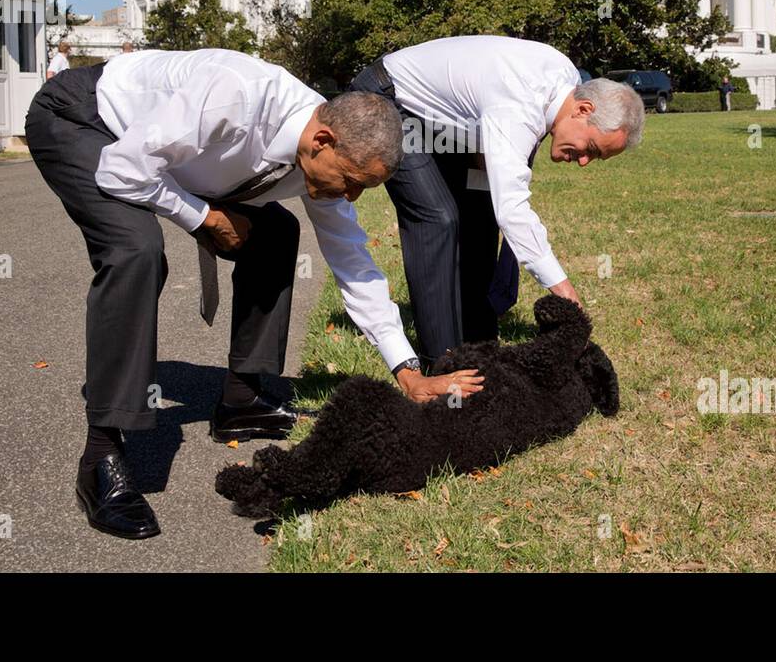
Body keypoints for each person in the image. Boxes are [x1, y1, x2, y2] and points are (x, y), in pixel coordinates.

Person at [24, 49, 483, 540]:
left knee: (278, 232)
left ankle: (242, 400)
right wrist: (204, 218)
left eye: (363, 188)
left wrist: (407, 370)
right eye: (351, 183)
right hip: (88, 120)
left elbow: (353, 262)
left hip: (166, 154)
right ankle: (101, 457)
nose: (350, 197)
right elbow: (124, 169)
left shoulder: (322, 150)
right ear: (323, 140)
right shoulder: (233, 97)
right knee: (135, 249)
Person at [348, 35, 644, 365]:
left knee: (480, 216)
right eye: (591, 149)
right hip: (389, 100)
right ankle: (442, 367)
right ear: (584, 109)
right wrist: (564, 292)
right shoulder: (519, 107)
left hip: (446, 127)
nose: (585, 161)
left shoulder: (566, 83)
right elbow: (514, 211)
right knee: (437, 218)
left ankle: (480, 352)